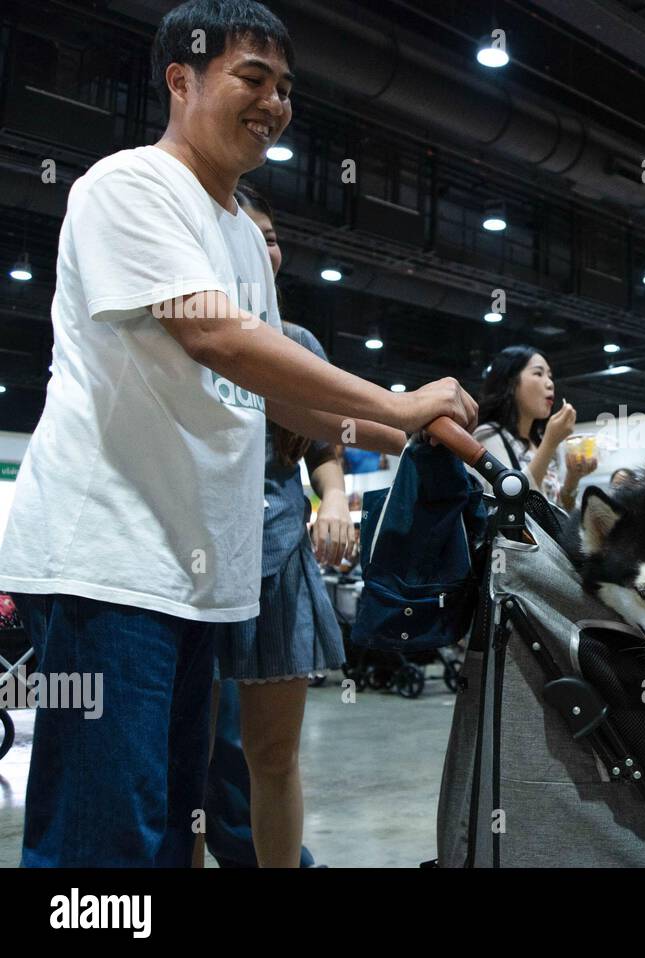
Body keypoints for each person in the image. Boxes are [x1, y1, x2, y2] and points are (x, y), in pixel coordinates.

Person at [0, 0, 476, 867]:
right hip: (104, 569)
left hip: (191, 580)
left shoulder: (244, 243)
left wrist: (412, 436)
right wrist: (399, 399)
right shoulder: (129, 186)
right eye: (252, 79)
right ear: (181, 80)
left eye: (287, 88)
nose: (275, 103)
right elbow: (216, 337)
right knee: (102, 838)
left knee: (173, 818)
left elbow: (280, 403)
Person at [198, 183, 408, 868]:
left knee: (274, 756)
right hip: (195, 560)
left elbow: (325, 447)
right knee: (189, 762)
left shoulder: (295, 342)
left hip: (279, 553)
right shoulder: (194, 331)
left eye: (274, 236)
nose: (267, 247)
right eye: (250, 234)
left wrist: (339, 501)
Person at [471, 345, 596, 510]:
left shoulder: (541, 442)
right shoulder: (488, 436)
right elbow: (513, 504)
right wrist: (550, 443)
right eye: (538, 373)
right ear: (511, 382)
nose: (550, 383)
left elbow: (555, 514)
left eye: (550, 376)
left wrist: (572, 480)